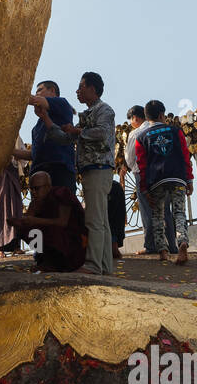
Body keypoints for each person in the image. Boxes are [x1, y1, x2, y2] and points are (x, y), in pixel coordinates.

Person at [60, 71, 115, 275]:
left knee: (94, 219)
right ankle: (105, 266)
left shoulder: (104, 110)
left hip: (99, 167)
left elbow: (101, 133)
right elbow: (71, 136)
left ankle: (93, 265)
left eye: (81, 86)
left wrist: (76, 132)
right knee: (101, 220)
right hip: (92, 168)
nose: (77, 90)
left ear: (93, 89)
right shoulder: (90, 113)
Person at [133, 99, 194, 265]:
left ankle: (163, 251)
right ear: (161, 115)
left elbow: (142, 164)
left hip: (156, 180)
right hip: (177, 177)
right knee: (179, 212)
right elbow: (184, 155)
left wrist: (144, 188)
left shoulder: (141, 137)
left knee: (158, 214)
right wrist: (189, 179)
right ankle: (182, 242)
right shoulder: (176, 131)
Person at [121, 104, 176, 254]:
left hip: (143, 174)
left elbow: (131, 157)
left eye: (131, 119)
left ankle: (151, 246)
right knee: (165, 210)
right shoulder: (159, 129)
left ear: (135, 118)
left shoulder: (135, 133)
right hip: (162, 174)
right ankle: (172, 245)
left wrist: (132, 168)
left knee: (147, 211)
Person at [13, 170, 87, 273]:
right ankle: (46, 261)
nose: (33, 192)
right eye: (31, 189)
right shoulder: (36, 203)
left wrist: (35, 220)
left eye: (37, 189)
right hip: (55, 244)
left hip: (74, 244)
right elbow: (27, 223)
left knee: (51, 229)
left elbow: (63, 222)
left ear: (48, 186)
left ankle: (56, 264)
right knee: (28, 230)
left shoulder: (61, 194)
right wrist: (18, 222)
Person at [24, 80, 76, 191]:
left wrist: (12, 93)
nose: (36, 94)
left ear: (52, 90)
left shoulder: (61, 103)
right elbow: (33, 153)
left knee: (60, 205)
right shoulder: (37, 127)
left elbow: (34, 100)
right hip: (38, 173)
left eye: (39, 90)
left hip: (58, 168)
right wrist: (11, 152)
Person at [0, 135, 29, 255]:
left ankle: (16, 245)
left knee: (15, 208)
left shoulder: (15, 136)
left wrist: (13, 157)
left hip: (11, 172)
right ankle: (1, 248)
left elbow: (22, 155)